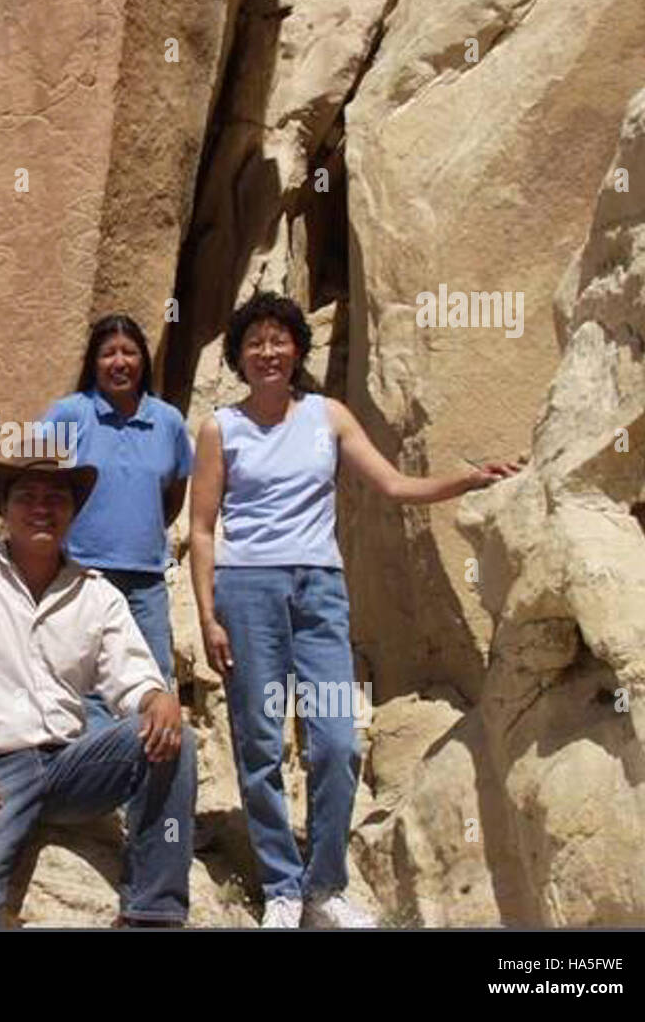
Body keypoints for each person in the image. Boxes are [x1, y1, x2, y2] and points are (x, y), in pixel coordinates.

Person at [189, 291, 522, 929]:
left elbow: (395, 485)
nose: (268, 352)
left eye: (278, 339)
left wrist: (469, 478)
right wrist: (207, 615)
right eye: (254, 342)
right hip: (246, 590)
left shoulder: (328, 415)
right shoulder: (220, 429)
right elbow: (202, 528)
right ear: (237, 355)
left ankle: (325, 886)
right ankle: (283, 887)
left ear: (296, 348)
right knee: (259, 744)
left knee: (336, 740)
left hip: (319, 590)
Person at [0, 455, 198, 929]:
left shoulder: (96, 593)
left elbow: (134, 680)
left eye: (56, 499)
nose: (41, 509)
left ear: (73, 512)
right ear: (4, 510)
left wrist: (158, 698)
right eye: (27, 497)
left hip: (69, 768)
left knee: (175, 740)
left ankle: (153, 912)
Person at [39, 314, 193, 729]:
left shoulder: (169, 421)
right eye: (108, 353)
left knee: (153, 681)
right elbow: (36, 479)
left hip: (147, 579)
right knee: (88, 685)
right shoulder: (69, 414)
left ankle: (147, 784)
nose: (119, 362)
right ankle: (99, 786)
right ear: (93, 362)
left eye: (129, 352)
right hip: (82, 572)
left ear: (144, 359)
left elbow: (174, 496)